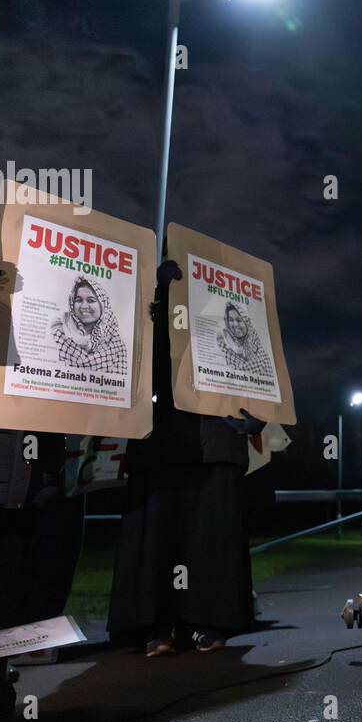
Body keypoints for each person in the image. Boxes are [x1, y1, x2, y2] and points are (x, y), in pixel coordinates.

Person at [107, 258, 260, 656]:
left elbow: (262, 391)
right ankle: (158, 624)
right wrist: (159, 300)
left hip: (216, 445)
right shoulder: (159, 321)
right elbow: (141, 367)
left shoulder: (238, 332)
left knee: (210, 538)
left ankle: (208, 621)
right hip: (166, 443)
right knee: (162, 535)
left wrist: (259, 420)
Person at [51, 276, 128, 373]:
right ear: (72, 304)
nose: (84, 306)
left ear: (103, 305)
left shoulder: (115, 345)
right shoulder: (59, 334)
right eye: (78, 300)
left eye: (91, 300)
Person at [217, 301, 271, 376]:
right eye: (231, 320)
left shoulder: (260, 351)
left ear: (247, 323)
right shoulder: (223, 347)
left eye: (239, 320)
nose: (235, 324)